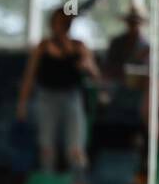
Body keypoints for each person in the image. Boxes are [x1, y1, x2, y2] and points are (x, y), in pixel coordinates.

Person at [17, 9, 99, 173]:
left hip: (71, 98)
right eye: (56, 23)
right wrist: (22, 104)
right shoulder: (43, 46)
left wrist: (86, 66)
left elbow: (95, 75)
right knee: (47, 147)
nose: (59, 27)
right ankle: (48, 182)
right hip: (47, 98)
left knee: (75, 147)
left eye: (63, 23)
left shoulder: (78, 46)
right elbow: (29, 77)